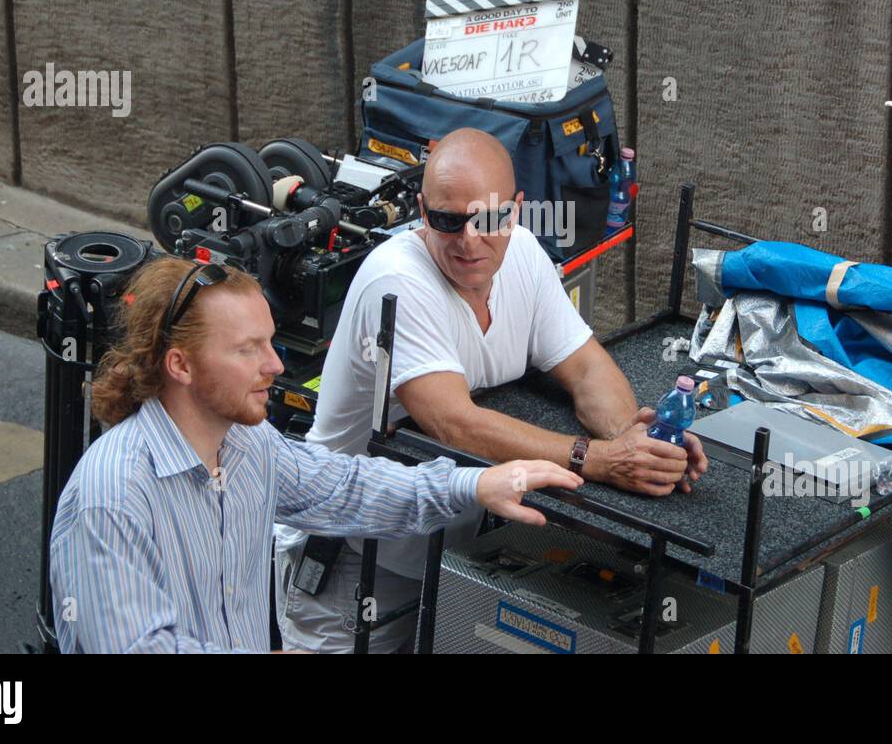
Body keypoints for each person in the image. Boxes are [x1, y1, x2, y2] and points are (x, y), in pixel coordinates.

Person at [276, 127, 707, 652]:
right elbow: (452, 422)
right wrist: (595, 458)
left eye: (490, 218)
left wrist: (636, 445)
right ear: (422, 211)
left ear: (517, 209)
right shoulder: (397, 281)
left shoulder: (523, 255)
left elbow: (588, 369)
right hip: (354, 553)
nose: (469, 240)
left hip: (453, 548)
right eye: (447, 220)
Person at [49, 254, 579, 653]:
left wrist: (474, 484)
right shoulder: (112, 498)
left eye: (271, 342)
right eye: (247, 349)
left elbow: (344, 488)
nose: (276, 366)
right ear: (180, 366)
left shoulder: (246, 443)